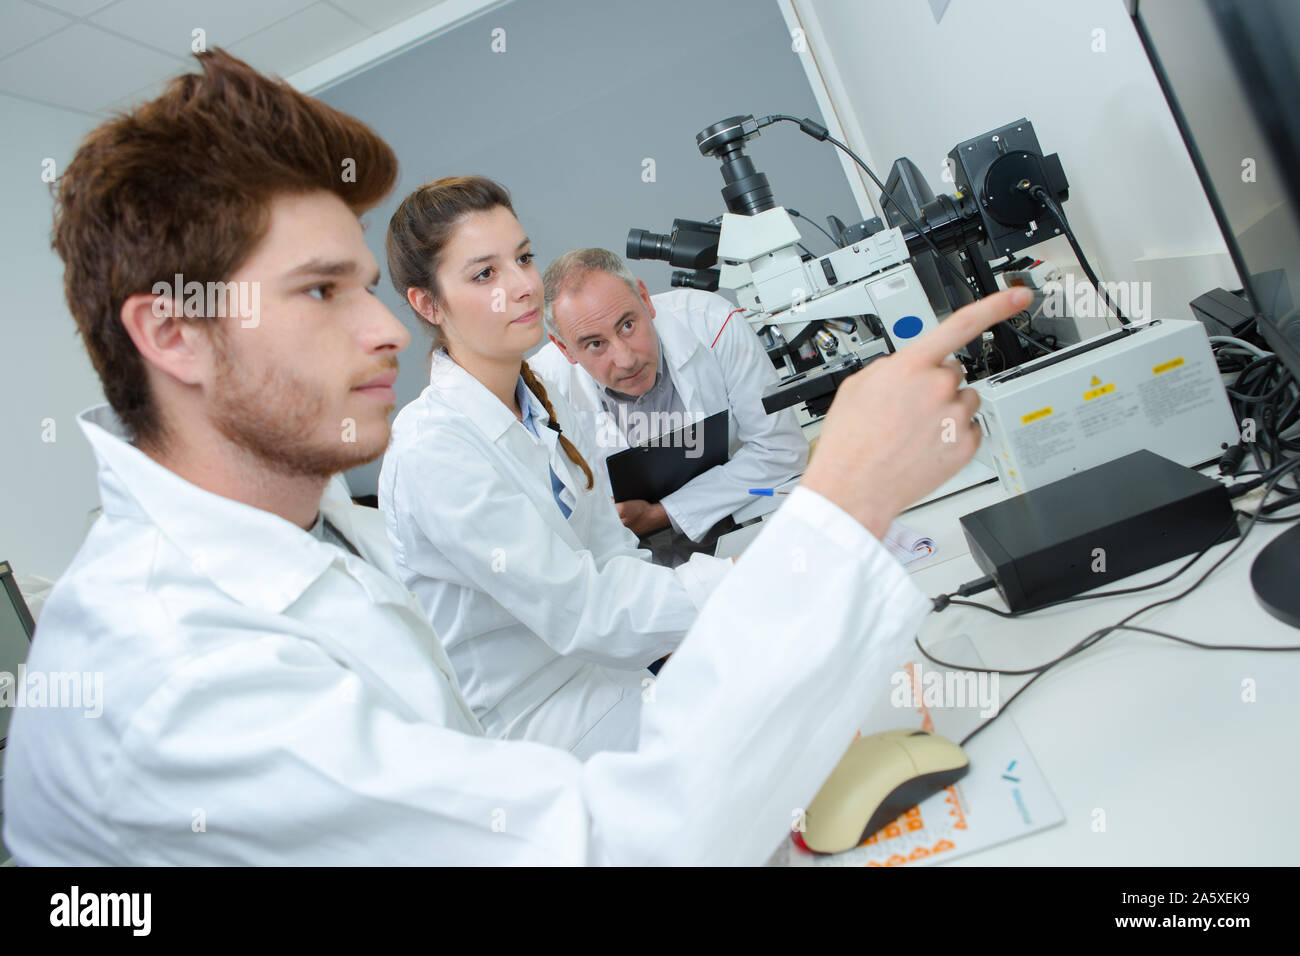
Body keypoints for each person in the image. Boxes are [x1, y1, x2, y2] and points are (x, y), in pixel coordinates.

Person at [1, 48, 1030, 865]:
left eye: (361, 285)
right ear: (173, 333)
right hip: (554, 725)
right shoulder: (174, 672)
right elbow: (613, 844)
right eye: (322, 291)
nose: (388, 335)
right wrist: (838, 504)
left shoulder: (313, 525)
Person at [378, 177, 732, 757]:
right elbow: (584, 610)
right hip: (537, 727)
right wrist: (740, 582)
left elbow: (610, 553)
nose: (522, 287)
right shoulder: (434, 449)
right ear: (428, 303)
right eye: (485, 274)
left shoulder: (544, 397)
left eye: (522, 258)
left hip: (612, 676)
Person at [529, 249, 809, 565]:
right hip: (627, 565)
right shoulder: (540, 390)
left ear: (646, 300)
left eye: (627, 325)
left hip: (743, 512)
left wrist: (663, 514)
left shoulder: (712, 322)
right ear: (565, 348)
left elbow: (781, 452)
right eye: (595, 344)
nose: (626, 359)